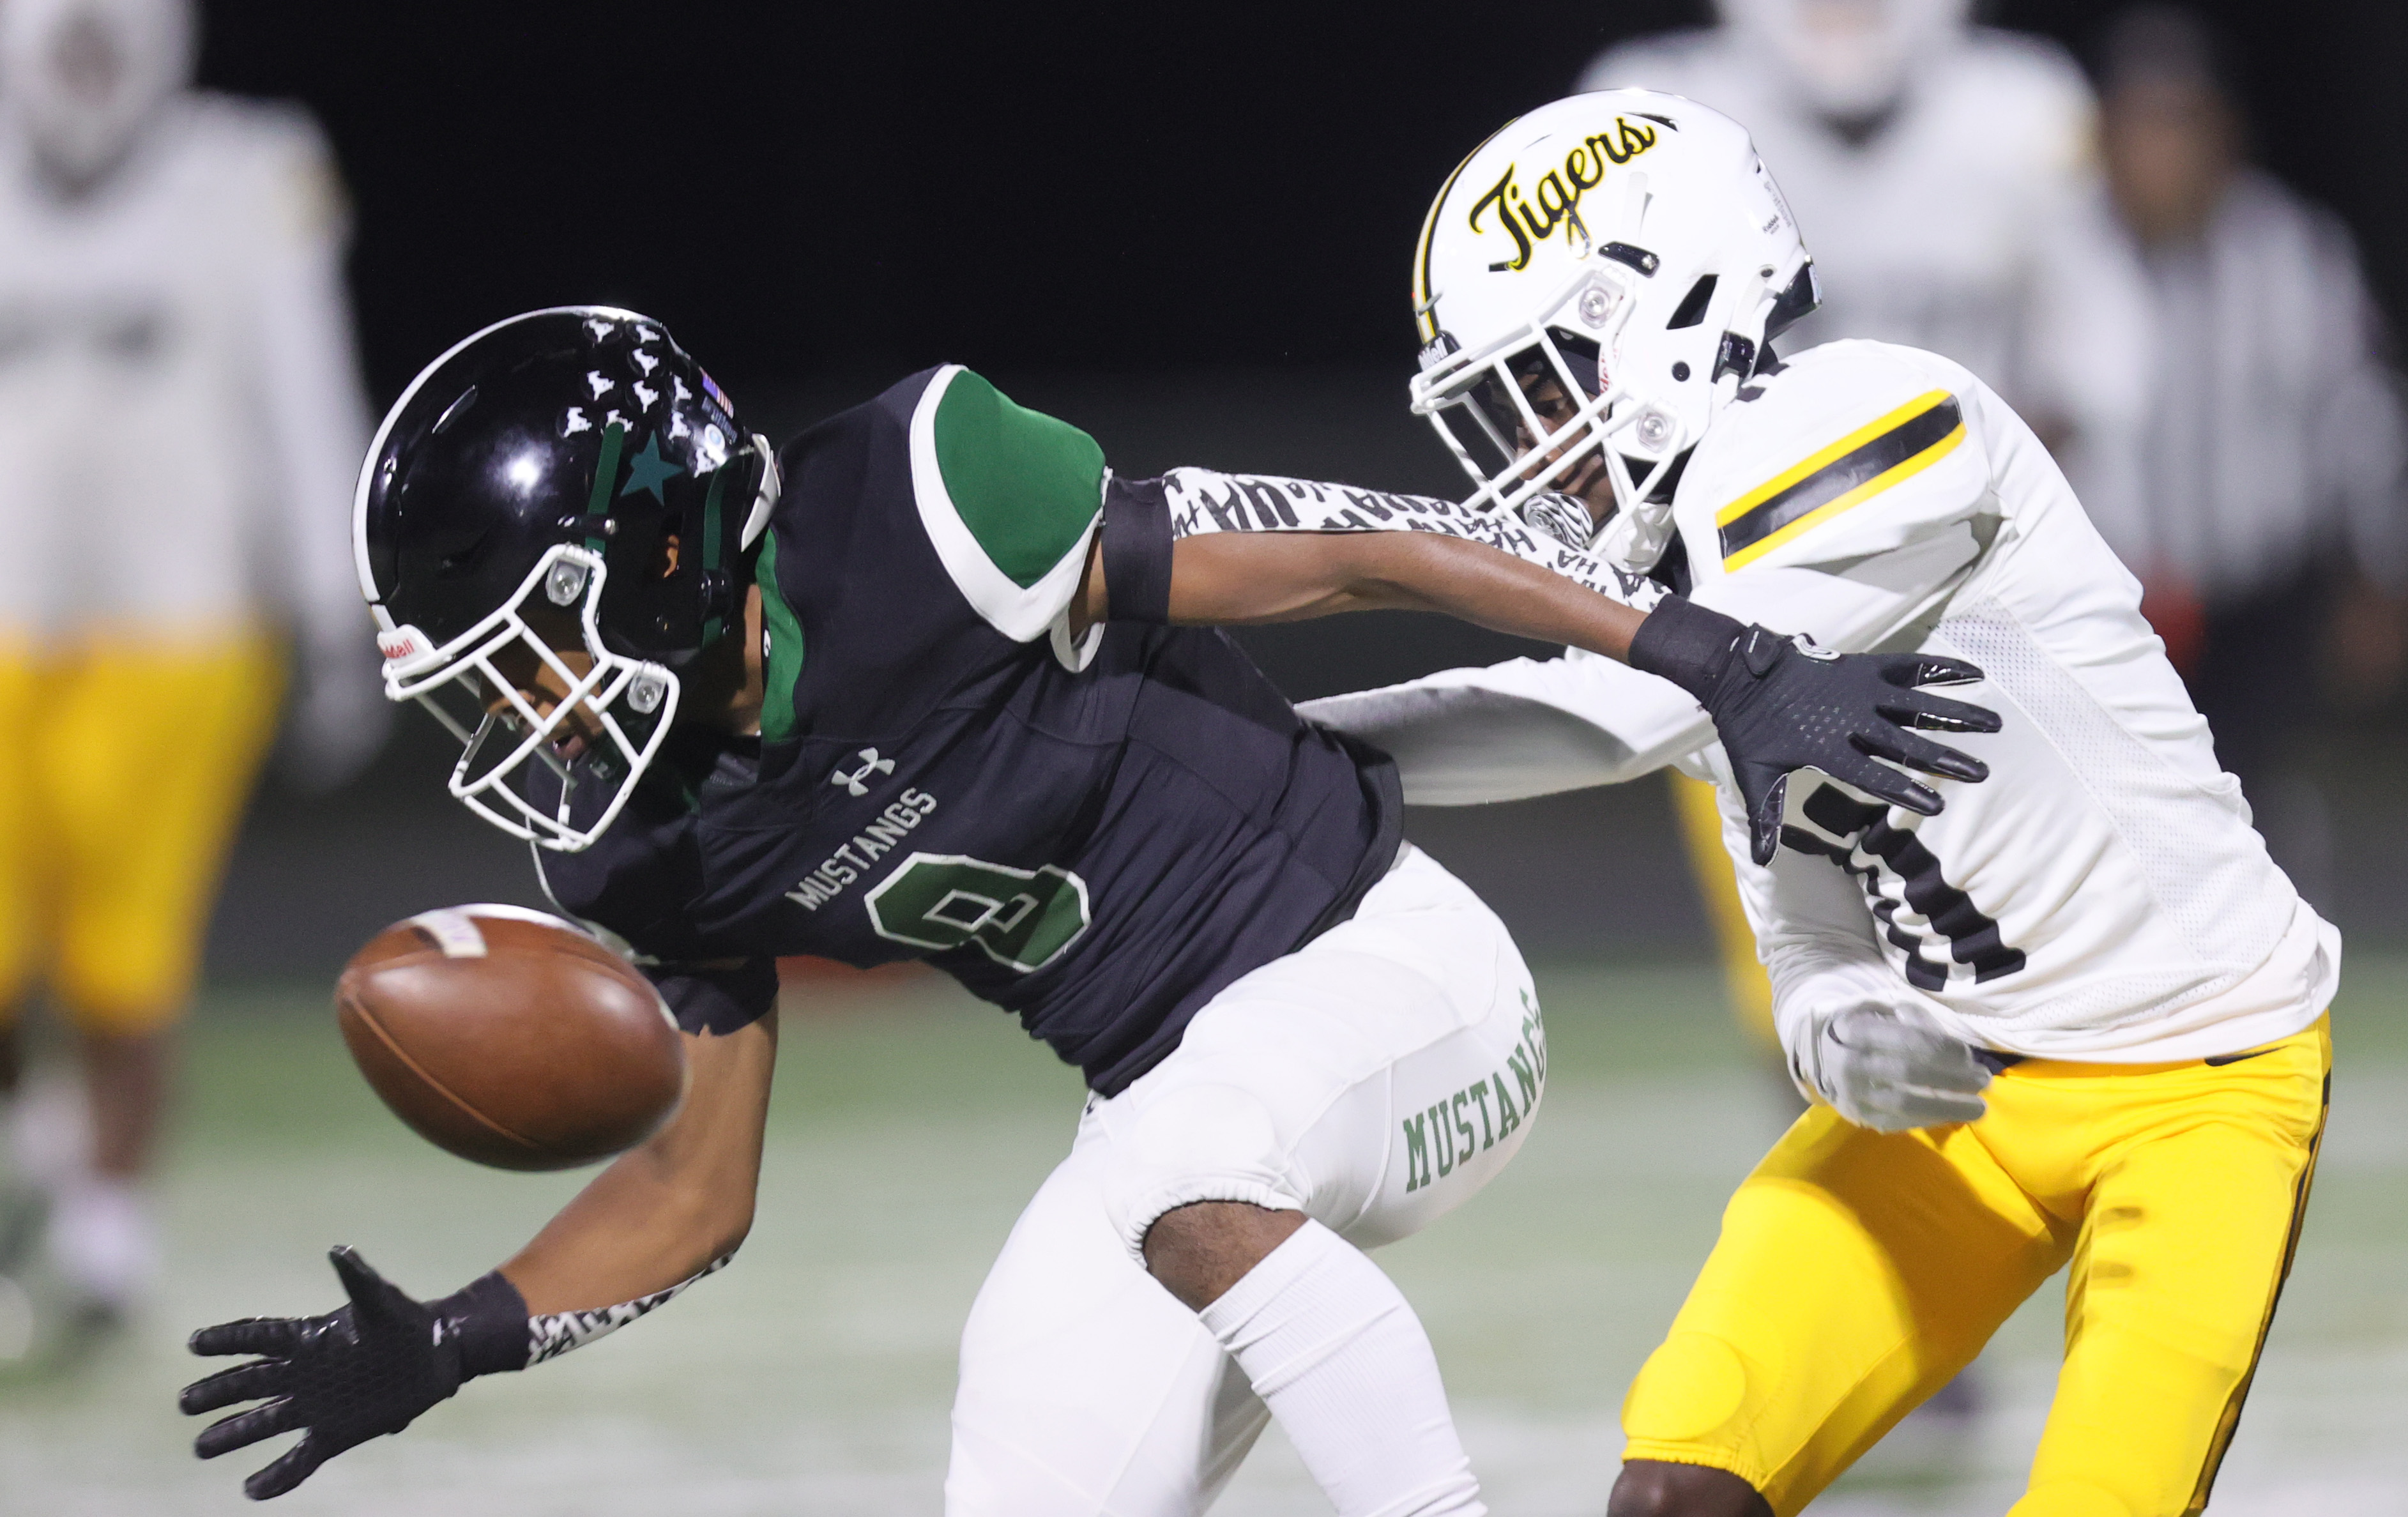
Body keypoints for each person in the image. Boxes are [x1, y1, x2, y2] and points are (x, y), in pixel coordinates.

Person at [174, 307, 1995, 1512]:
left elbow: (1354, 547)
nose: (520, 718)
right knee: (1033, 1462)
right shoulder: (644, 838)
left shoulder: (923, 502)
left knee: (1171, 1174)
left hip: (1394, 975)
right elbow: (689, 1188)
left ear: (656, 556)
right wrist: (452, 1337)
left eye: (530, 653)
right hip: (1166, 1112)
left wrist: (1710, 656)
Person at [1303, 91, 2337, 1516]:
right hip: (1965, 1100)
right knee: (1679, 1486)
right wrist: (1830, 1017)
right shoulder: (1676, 570)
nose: (1531, 446)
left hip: (2197, 1082)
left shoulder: (1878, 413)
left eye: (1547, 385)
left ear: (1663, 310)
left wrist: (1272, 747)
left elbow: (1638, 711)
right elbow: (1792, 886)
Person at [1580, 0, 2153, 1086]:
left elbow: (2099, 362)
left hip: (1980, 608)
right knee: (1812, 980)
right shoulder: (1652, 105)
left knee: (2031, 950)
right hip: (1739, 613)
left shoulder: (2021, 113)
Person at [0, 0, 381, 1346]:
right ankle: (40, 1164)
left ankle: (107, 1233)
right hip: (5, 621)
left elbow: (301, 384)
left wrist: (337, 608)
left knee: (125, 940)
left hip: (184, 615)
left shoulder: (244, 171)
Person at [2087, 4, 2408, 901]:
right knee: (2104, 817)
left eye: (2180, 123)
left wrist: (2388, 571)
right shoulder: (2055, 252)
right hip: (2097, 603)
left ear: (2223, 135)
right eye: (2140, 123)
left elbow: (2364, 424)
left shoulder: (2294, 256)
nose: (2159, 150)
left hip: (2252, 598)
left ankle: (2271, 983)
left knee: (2243, 804)